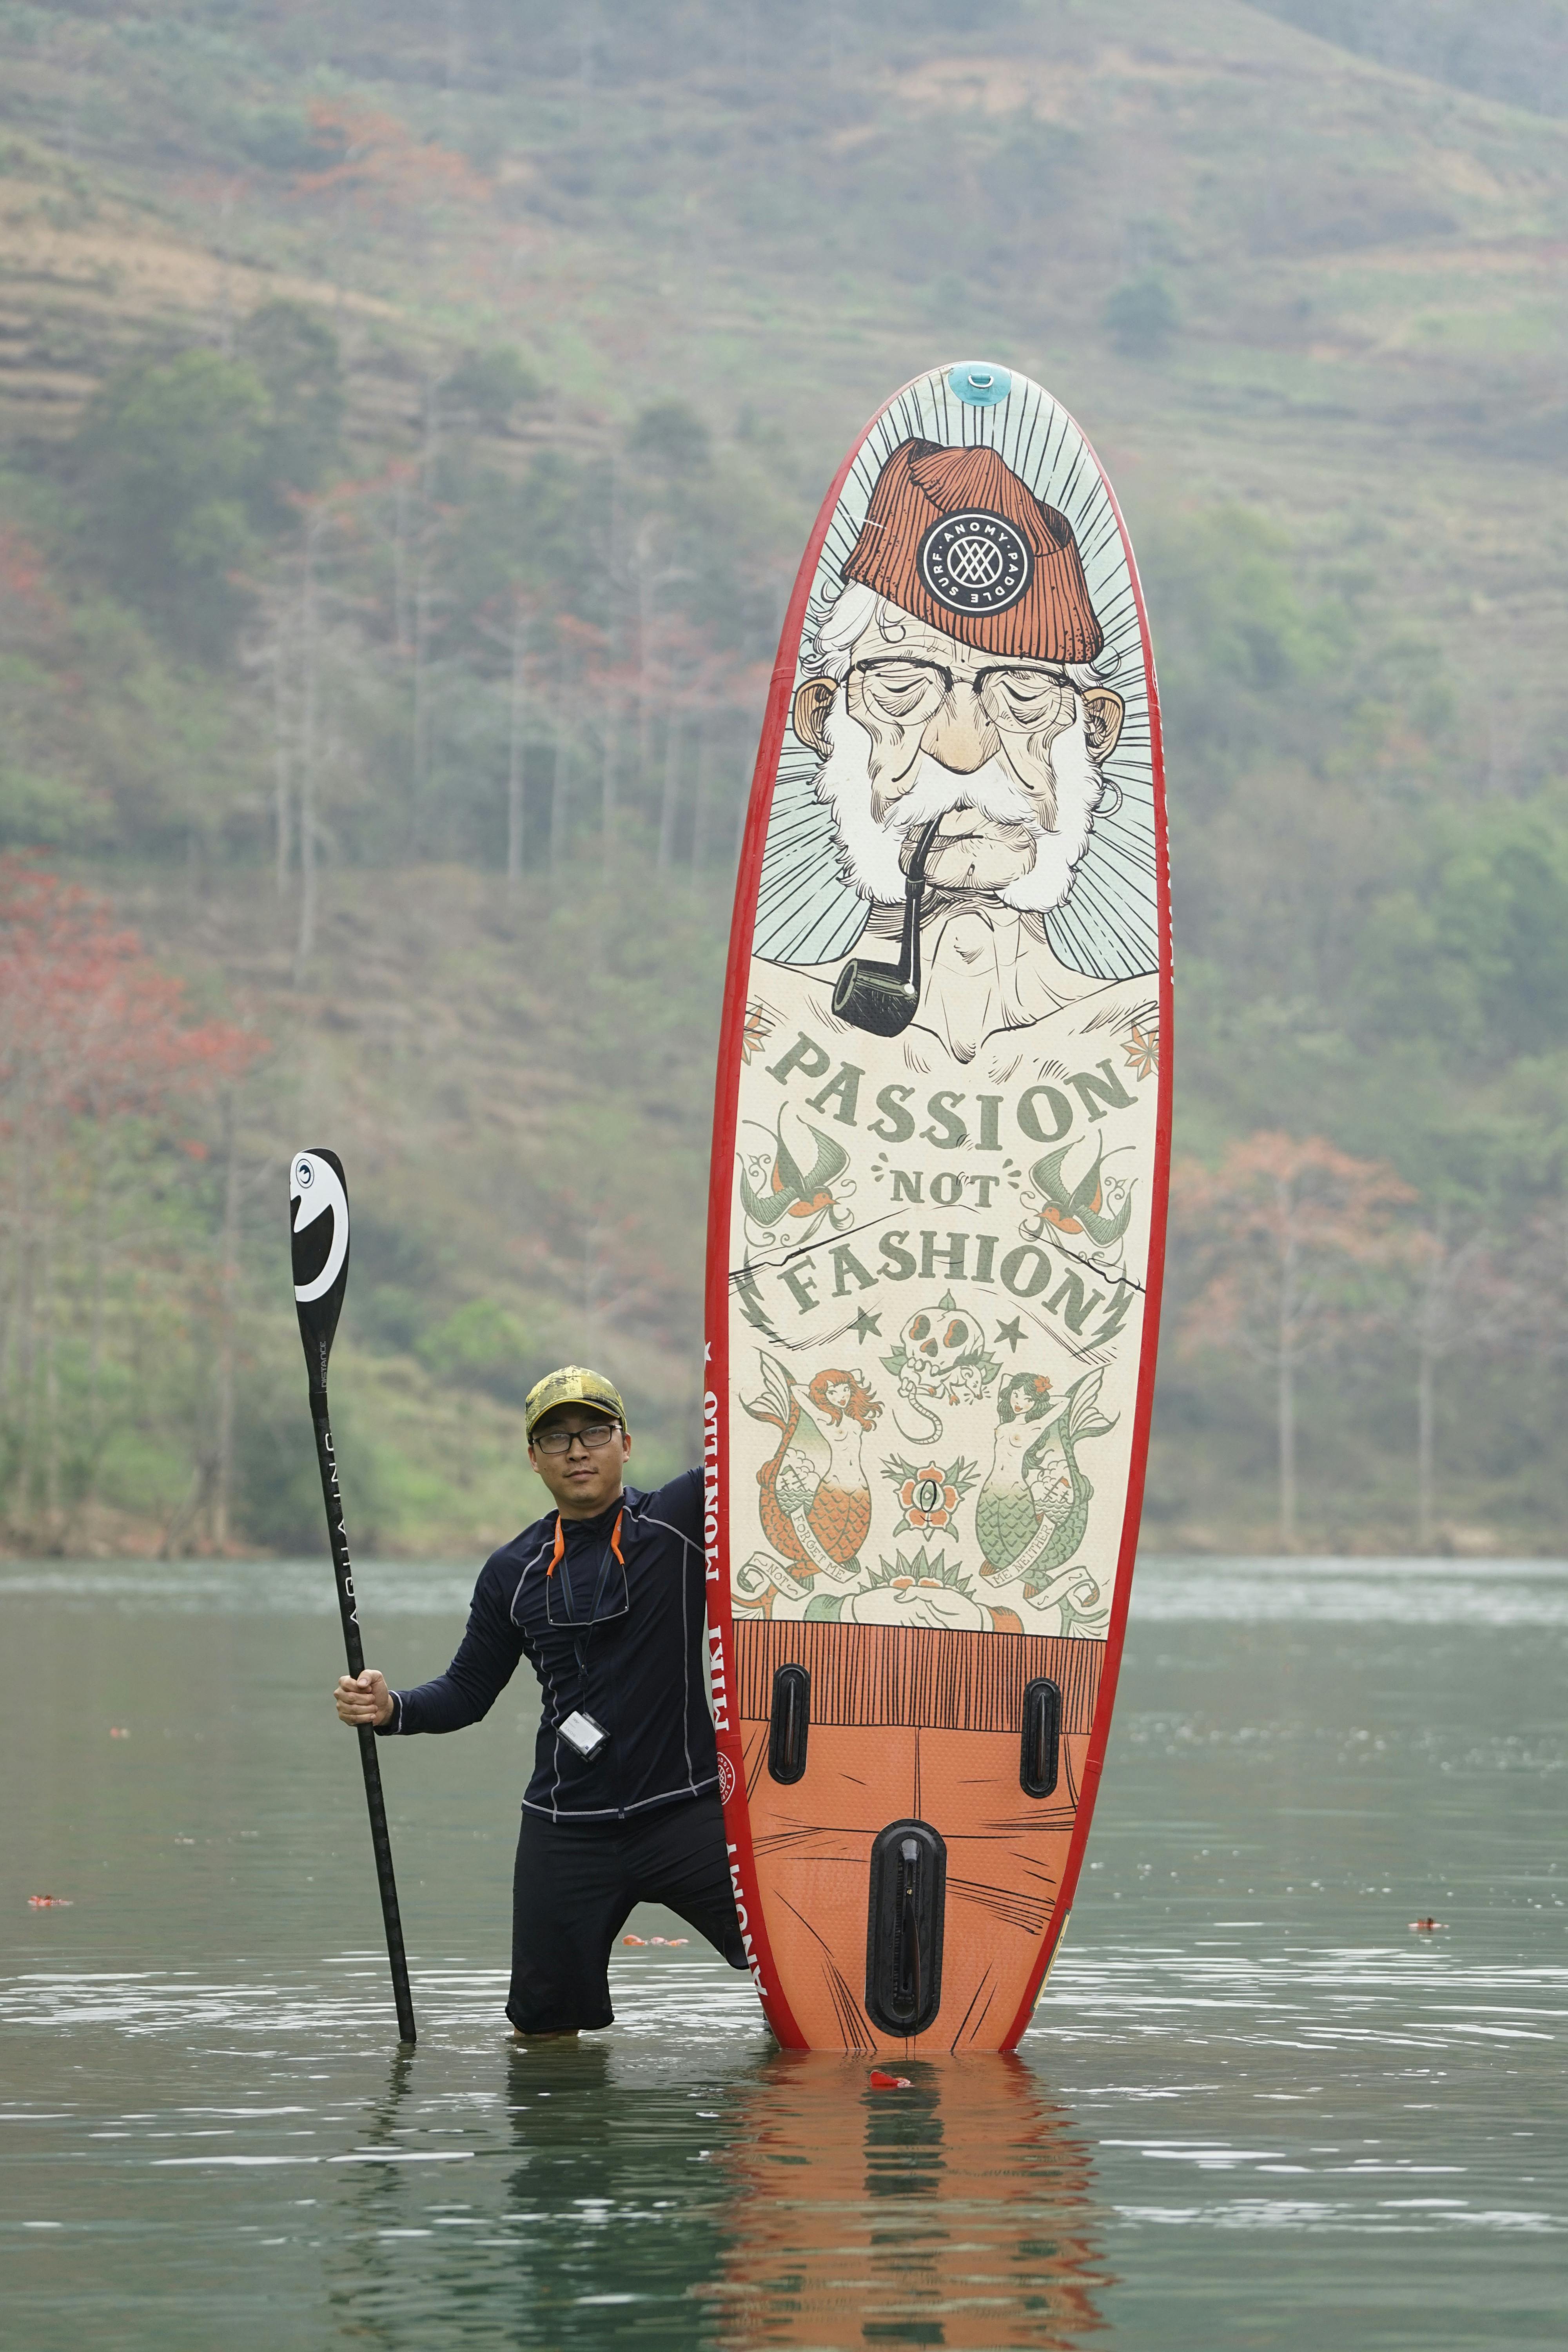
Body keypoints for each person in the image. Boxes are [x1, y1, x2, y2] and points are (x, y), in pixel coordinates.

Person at [332, 1364, 746, 2037]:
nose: (577, 1450)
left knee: (791, 1962)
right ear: (533, 1459)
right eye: (555, 1438)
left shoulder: (679, 1521)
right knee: (543, 2028)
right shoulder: (510, 1572)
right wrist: (391, 1709)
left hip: (686, 1811)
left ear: (626, 1443)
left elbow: (753, 1448)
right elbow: (467, 1691)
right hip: (567, 1828)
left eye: (594, 1431)